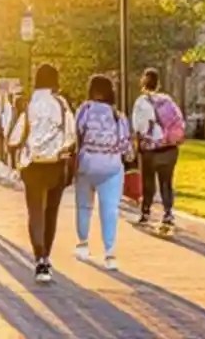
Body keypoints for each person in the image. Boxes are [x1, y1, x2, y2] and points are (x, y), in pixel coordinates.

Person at [8, 64, 76, 284]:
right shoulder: (61, 104)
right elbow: (71, 134)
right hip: (55, 164)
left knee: (35, 211)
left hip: (33, 165)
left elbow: (15, 138)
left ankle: (39, 258)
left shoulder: (29, 105)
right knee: (51, 212)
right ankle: (47, 255)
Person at [73, 75, 133, 270]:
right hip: (111, 166)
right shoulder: (118, 115)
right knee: (109, 210)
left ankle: (83, 244)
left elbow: (76, 133)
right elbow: (126, 147)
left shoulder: (85, 110)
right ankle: (109, 254)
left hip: (86, 163)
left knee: (84, 207)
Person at [132, 68, 185, 230]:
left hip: (150, 149)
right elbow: (179, 120)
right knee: (166, 182)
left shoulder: (141, 102)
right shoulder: (167, 100)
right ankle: (168, 212)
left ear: (143, 82)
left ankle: (146, 212)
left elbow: (138, 126)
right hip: (169, 148)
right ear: (158, 83)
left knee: (148, 181)